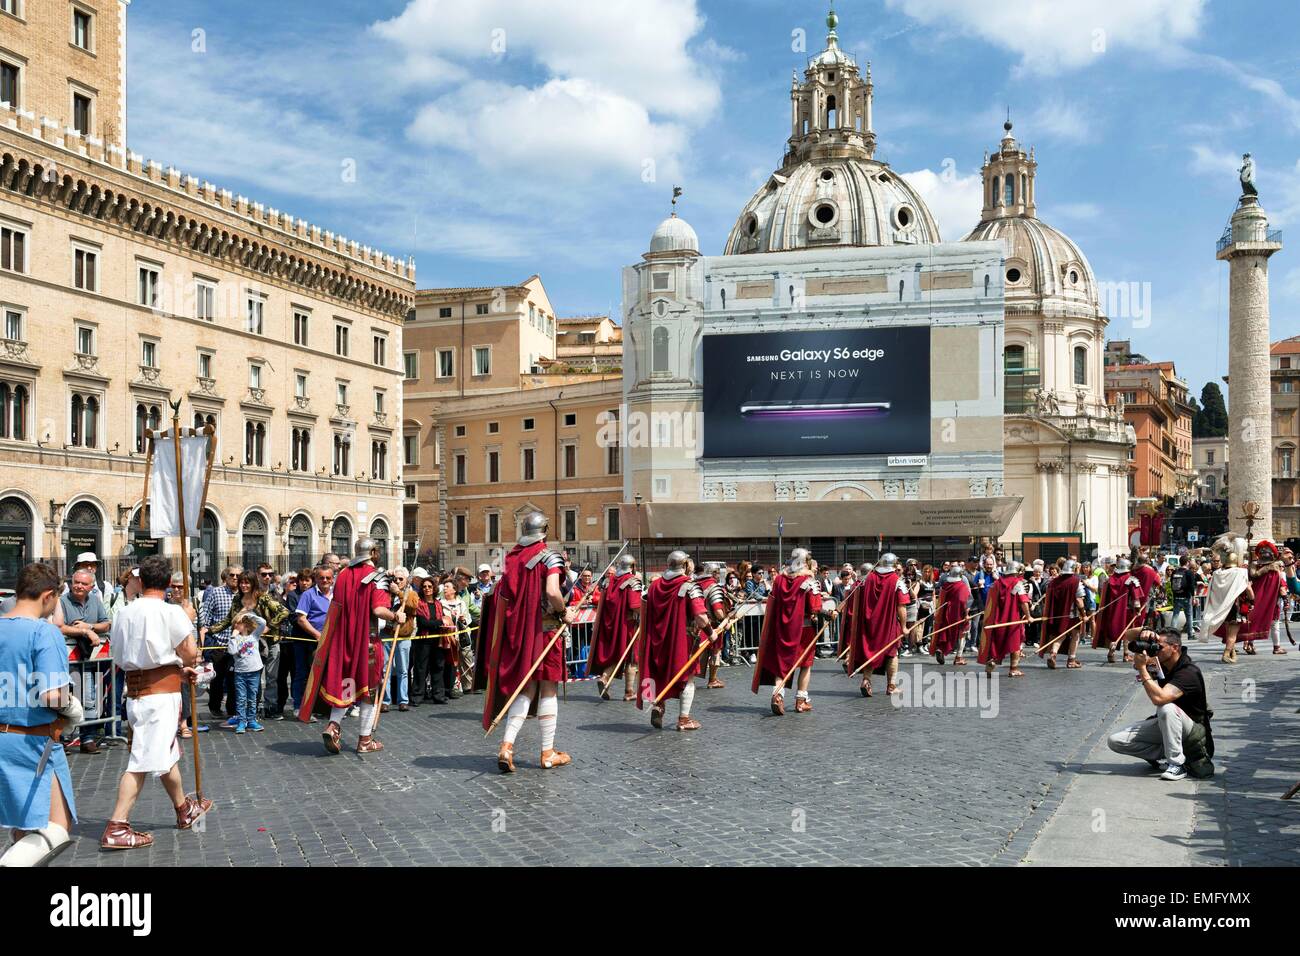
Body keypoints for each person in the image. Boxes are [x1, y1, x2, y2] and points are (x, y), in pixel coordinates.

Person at [101, 556, 209, 850]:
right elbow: (189, 652)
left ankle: (183, 809)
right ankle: (117, 825)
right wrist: (184, 647)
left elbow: (122, 654)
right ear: (167, 583)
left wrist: (173, 668)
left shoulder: (125, 612)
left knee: (163, 753)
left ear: (143, 579)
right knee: (141, 760)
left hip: (136, 692)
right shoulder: (171, 612)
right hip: (160, 697)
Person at [481, 513, 577, 773]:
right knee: (547, 688)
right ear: (545, 530)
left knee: (525, 689)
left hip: (520, 634)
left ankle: (506, 746)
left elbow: (502, 596)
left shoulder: (512, 558)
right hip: (545, 633)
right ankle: (547, 753)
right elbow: (552, 592)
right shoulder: (550, 556)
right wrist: (563, 611)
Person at [0, 563, 81, 867]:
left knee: (25, 826)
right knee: (55, 828)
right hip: (33, 741)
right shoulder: (43, 632)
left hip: (3, 738)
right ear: (48, 596)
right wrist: (70, 705)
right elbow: (52, 694)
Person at [302, 537, 403, 754]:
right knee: (368, 691)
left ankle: (333, 725)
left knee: (346, 685)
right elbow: (378, 610)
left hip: (343, 640)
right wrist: (397, 616)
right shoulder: (377, 576)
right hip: (367, 642)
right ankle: (365, 741)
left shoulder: (342, 576)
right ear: (374, 552)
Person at [1106, 627, 1214, 781]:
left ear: (1175, 648)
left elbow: (1160, 699)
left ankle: (1177, 764)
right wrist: (1145, 631)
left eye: (1160, 647)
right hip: (1169, 725)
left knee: (1166, 707)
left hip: (1193, 733)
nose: (1156, 650)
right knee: (1116, 741)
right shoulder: (1162, 663)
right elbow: (1127, 635)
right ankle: (1170, 750)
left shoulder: (1188, 672)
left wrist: (1143, 670)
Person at [639, 551, 711, 731]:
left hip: (657, 640)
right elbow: (701, 618)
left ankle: (658, 705)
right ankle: (684, 719)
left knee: (659, 674)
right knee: (687, 678)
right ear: (685, 565)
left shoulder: (654, 586)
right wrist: (711, 632)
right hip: (682, 641)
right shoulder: (689, 586)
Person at [208, 570, 288, 727]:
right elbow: (229, 620)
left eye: (247, 582)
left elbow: (283, 611)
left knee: (256, 680)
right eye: (242, 582)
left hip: (264, 643)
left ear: (253, 584)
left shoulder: (262, 597)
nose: (244, 585)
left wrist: (269, 627)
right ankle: (241, 714)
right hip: (243, 644)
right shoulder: (237, 599)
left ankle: (253, 714)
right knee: (238, 680)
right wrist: (210, 630)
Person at [752, 548, 823, 715]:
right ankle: (801, 700)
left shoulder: (779, 580)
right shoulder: (809, 580)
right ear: (805, 562)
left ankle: (777, 695)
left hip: (782, 629)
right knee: (805, 665)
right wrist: (828, 612)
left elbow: (773, 603)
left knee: (782, 665)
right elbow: (815, 607)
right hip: (804, 630)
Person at [58, 568, 111, 755]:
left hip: (90, 659)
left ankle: (87, 738)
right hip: (67, 660)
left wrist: (89, 626)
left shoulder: (95, 601)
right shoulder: (61, 602)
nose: (79, 586)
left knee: (89, 698)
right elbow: (60, 626)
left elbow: (106, 623)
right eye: (76, 582)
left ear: (91, 586)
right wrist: (85, 632)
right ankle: (63, 739)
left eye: (83, 583)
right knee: (68, 698)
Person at [847, 553, 909, 697]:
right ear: (894, 564)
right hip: (888, 625)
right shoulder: (896, 581)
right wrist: (904, 626)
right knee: (892, 653)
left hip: (869, 624)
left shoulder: (868, 578)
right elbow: (901, 606)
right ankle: (891, 686)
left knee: (870, 652)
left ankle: (866, 680)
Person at [587, 553, 642, 701]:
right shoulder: (632, 582)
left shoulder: (608, 581)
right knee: (630, 658)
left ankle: (605, 679)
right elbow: (635, 605)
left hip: (609, 624)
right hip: (627, 625)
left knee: (617, 654)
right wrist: (647, 612)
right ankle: (627, 690)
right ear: (633, 567)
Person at [199, 566, 241, 721]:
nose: (235, 578)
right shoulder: (216, 592)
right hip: (219, 643)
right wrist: (204, 644)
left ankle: (232, 708)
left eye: (238, 575)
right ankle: (215, 707)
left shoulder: (244, 595)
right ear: (226, 576)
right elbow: (206, 617)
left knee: (234, 679)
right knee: (217, 678)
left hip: (237, 645)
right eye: (232, 575)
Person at [291, 565, 333, 718]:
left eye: (328, 577)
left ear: (332, 579)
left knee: (327, 675)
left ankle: (322, 707)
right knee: (303, 674)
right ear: (316, 579)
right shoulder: (308, 595)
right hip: (308, 642)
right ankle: (299, 707)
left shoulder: (337, 595)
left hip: (331, 642)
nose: (325, 580)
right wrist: (317, 635)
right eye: (321, 577)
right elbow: (301, 619)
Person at [1201, 544, 1253, 663]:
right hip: (1236, 606)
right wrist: (1252, 600)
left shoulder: (1217, 573)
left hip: (1223, 607)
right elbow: (1248, 589)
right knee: (1232, 633)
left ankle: (1232, 653)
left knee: (1229, 630)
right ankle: (1226, 654)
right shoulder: (1240, 572)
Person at [978, 560, 1030, 677]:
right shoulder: (1017, 583)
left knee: (996, 643)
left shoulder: (997, 583)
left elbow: (991, 601)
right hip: (1013, 618)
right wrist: (1028, 616)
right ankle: (1013, 669)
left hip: (997, 619)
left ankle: (991, 661)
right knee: (1015, 644)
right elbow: (1023, 601)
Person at [382, 568, 418, 712]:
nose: (397, 581)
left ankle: (403, 699)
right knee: (386, 670)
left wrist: (398, 592)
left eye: (400, 579)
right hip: (387, 634)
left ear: (407, 580)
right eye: (395, 579)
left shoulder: (411, 593)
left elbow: (413, 607)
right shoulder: (385, 594)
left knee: (403, 669)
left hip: (403, 636)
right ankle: (385, 700)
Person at [1040, 558, 1086, 669]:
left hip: (1056, 615)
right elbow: (1079, 601)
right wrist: (1084, 615)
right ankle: (1071, 660)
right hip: (1071, 615)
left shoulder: (1054, 581)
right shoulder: (1075, 581)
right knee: (1075, 635)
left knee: (1060, 635)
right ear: (1074, 569)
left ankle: (1053, 654)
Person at [1095, 557, 1140, 663]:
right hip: (1127, 610)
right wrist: (1138, 610)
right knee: (1126, 633)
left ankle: (1111, 653)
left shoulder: (1110, 579)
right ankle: (1126, 655)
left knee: (1114, 631)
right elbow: (1136, 598)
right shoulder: (1130, 579)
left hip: (1111, 610)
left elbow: (1103, 595)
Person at [227, 612, 267, 734]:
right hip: (240, 673)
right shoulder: (234, 639)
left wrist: (250, 615)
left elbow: (263, 623)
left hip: (254, 671)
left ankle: (251, 720)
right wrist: (233, 637)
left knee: (252, 697)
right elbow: (232, 651)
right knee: (241, 698)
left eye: (239, 623)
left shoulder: (254, 636)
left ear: (246, 624)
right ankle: (241, 721)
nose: (237, 626)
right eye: (235, 624)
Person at [695, 561, 730, 688]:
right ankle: (713, 679)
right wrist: (725, 620)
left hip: (696, 624)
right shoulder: (714, 587)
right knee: (715, 652)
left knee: (693, 652)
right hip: (712, 625)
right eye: (716, 573)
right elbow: (718, 611)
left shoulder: (694, 584)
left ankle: (687, 680)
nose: (717, 575)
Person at [932, 565, 971, 666]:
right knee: (963, 633)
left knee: (945, 632)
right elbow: (964, 601)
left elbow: (941, 598)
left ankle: (940, 649)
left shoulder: (946, 585)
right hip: (958, 613)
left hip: (946, 613)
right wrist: (966, 614)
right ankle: (958, 657)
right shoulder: (962, 586)